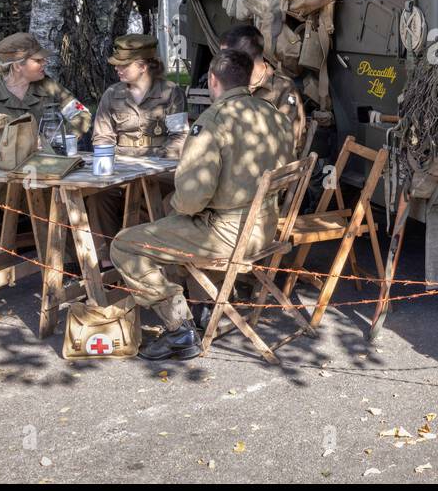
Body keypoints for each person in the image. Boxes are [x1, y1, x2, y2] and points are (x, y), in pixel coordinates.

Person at [109, 49, 294, 360]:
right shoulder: (273, 114)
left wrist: (179, 209)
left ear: (212, 81)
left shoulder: (213, 120)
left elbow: (193, 198)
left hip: (227, 236)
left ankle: (179, 328)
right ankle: (205, 303)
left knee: (125, 244)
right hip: (265, 227)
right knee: (169, 217)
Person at [87, 35, 188, 264]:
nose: (118, 70)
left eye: (123, 65)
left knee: (153, 195)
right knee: (98, 195)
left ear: (142, 66)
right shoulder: (113, 95)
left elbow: (180, 135)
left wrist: (159, 162)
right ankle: (107, 259)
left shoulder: (171, 93)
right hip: (121, 166)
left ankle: (149, 258)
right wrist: (107, 162)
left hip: (159, 169)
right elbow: (102, 135)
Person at [0, 31, 90, 139]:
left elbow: (81, 114)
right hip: (0, 168)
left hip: (45, 164)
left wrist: (61, 139)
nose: (45, 63)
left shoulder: (49, 87)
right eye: (38, 60)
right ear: (18, 65)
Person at [221, 23, 308, 156]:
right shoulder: (231, 85)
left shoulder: (282, 90)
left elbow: (291, 143)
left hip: (267, 169)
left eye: (227, 58)